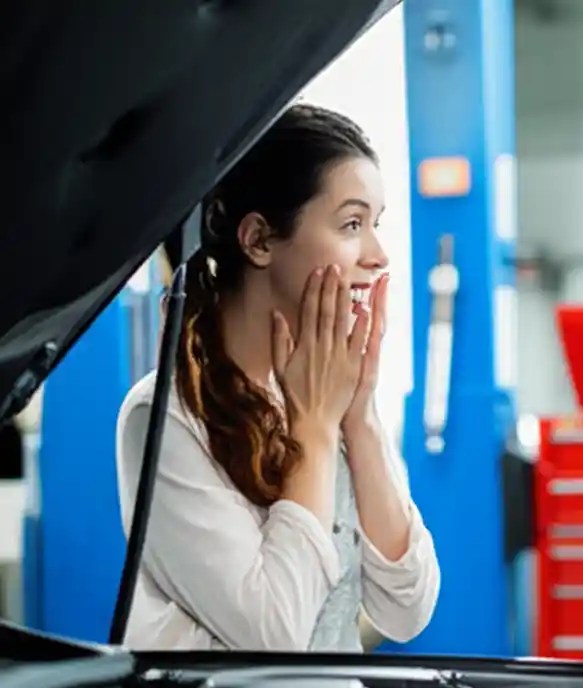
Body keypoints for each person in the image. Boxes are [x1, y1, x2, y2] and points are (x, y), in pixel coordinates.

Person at [115, 102, 441, 652]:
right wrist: (314, 432)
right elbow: (274, 634)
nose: (379, 256)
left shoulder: (334, 398)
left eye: (376, 225)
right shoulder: (162, 415)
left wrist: (358, 418)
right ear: (259, 240)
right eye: (352, 224)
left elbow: (406, 610)